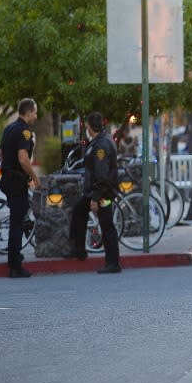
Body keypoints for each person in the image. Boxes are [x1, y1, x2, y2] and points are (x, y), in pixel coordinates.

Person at [68, 112, 122, 274]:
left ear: (90, 127)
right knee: (78, 211)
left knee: (106, 225)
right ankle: (78, 250)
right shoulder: (99, 142)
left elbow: (101, 174)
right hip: (96, 191)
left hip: (103, 192)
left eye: (86, 127)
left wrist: (95, 198)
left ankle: (113, 263)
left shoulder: (101, 146)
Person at [0, 98, 40, 278]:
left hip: (7, 178)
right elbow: (23, 158)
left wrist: (9, 168)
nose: (36, 116)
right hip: (16, 181)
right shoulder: (24, 132)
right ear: (28, 112)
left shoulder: (9, 128)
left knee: (17, 219)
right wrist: (34, 177)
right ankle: (15, 265)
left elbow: (1, 155)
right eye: (35, 113)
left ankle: (14, 260)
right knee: (17, 223)